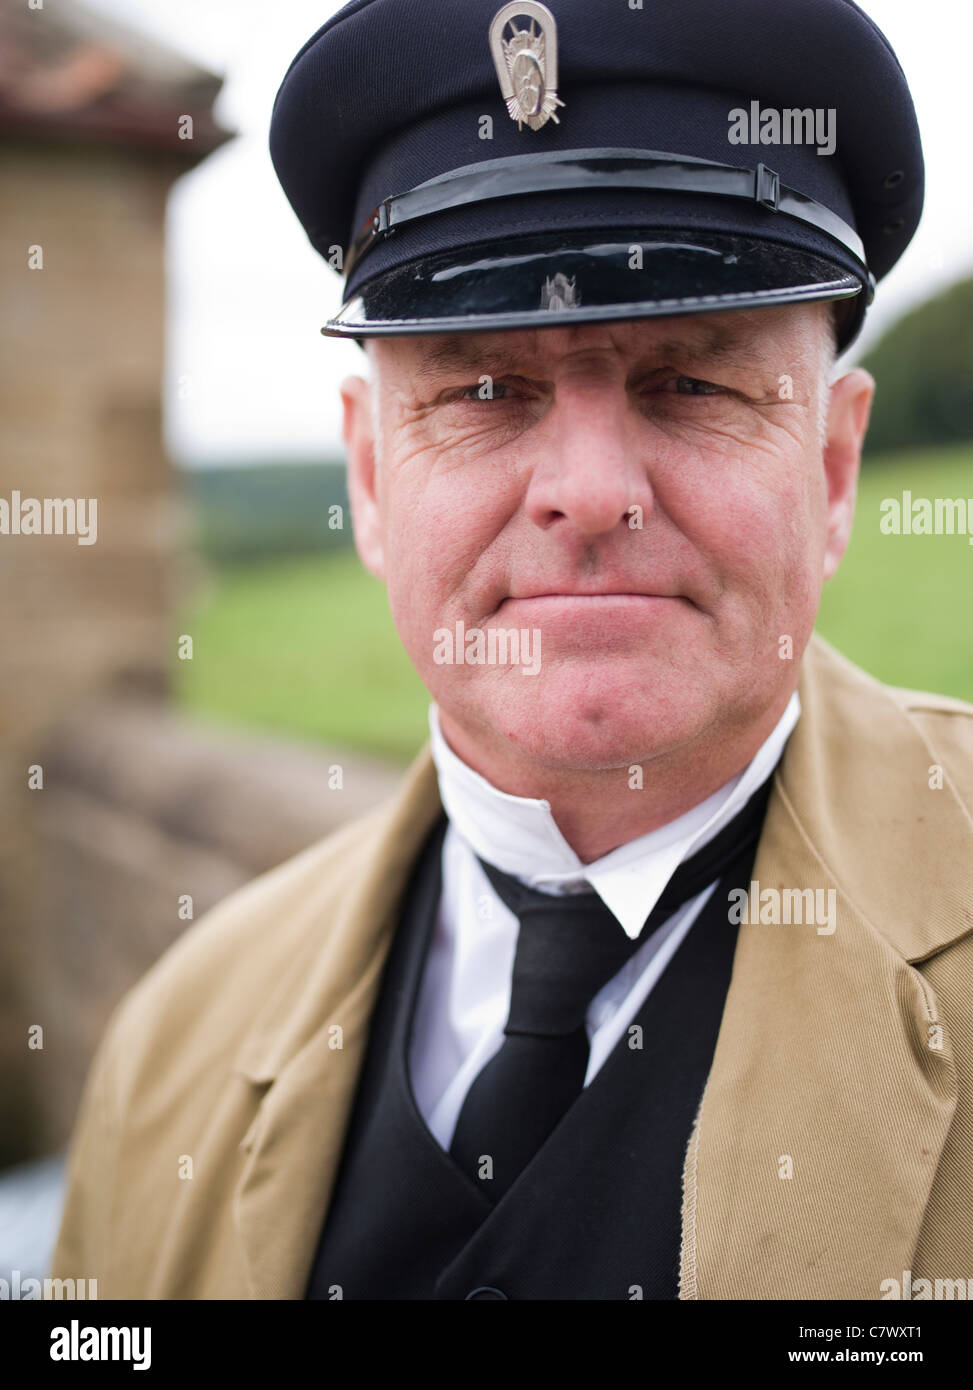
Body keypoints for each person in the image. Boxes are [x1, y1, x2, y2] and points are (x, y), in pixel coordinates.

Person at [52, 0, 973, 1301]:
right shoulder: (172, 1045)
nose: (589, 493)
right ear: (370, 479)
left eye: (691, 382)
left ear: (830, 467)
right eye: (484, 390)